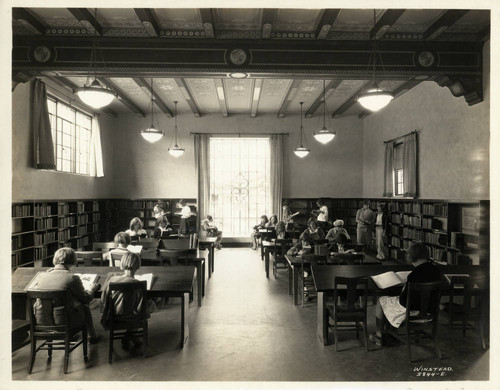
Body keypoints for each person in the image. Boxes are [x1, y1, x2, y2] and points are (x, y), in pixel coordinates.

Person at [369, 243, 443, 347]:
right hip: (430, 313)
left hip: (413, 314)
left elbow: (403, 301)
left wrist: (404, 289)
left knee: (382, 300)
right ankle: (391, 334)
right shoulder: (437, 271)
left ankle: (379, 336)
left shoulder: (413, 275)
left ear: (412, 257)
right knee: (391, 301)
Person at [32, 247, 100, 344]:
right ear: (73, 260)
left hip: (42, 319)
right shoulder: (72, 278)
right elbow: (86, 299)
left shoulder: (42, 276)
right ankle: (92, 337)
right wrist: (91, 290)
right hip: (64, 321)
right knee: (84, 306)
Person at [100, 252, 154, 351]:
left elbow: (103, 299)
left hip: (113, 316)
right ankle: (130, 334)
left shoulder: (112, 280)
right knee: (150, 305)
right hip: (134, 316)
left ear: (121, 264)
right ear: (138, 266)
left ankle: (129, 334)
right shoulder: (138, 284)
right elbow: (141, 305)